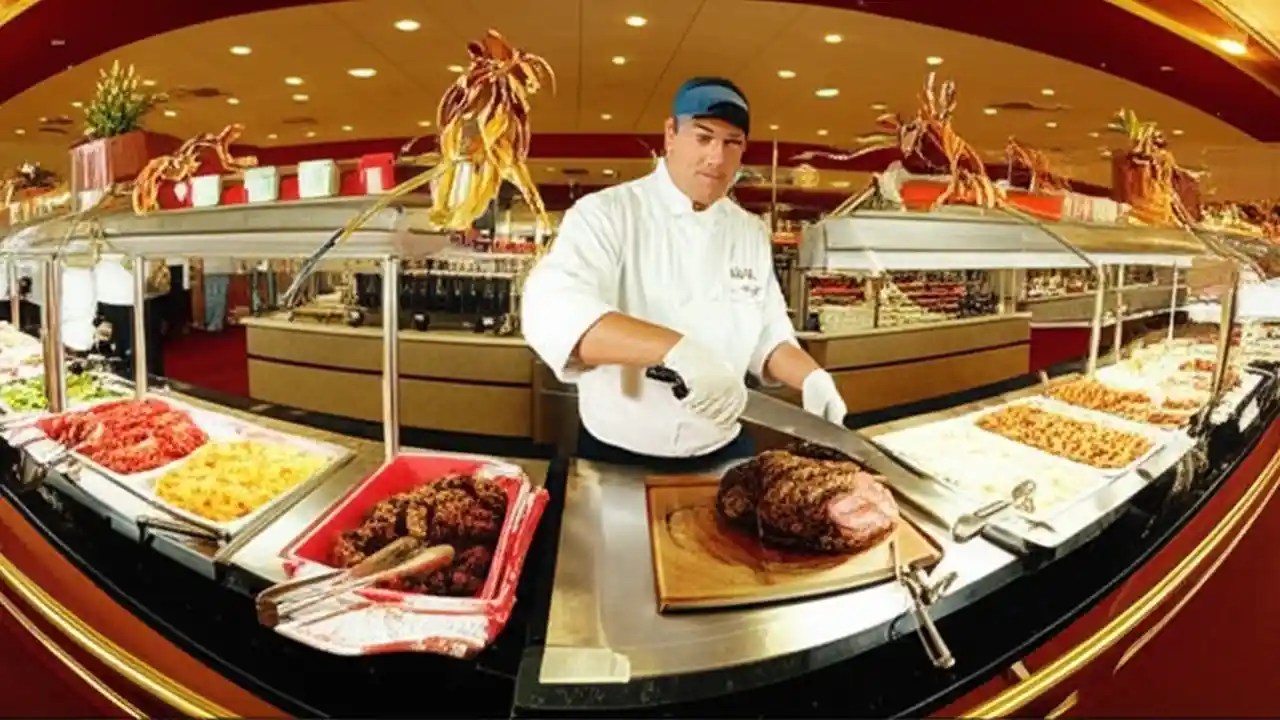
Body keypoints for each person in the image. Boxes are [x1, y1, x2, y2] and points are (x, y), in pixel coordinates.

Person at [521, 76, 846, 467]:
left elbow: (768, 335)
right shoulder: (606, 214)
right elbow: (555, 310)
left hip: (723, 444)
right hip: (618, 451)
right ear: (671, 134)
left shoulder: (749, 231)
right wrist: (678, 350)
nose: (717, 158)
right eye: (703, 137)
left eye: (732, 143)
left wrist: (811, 377)